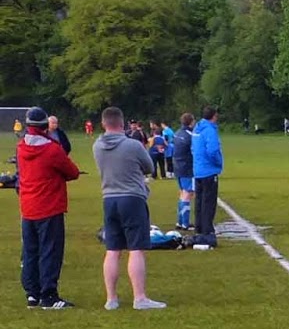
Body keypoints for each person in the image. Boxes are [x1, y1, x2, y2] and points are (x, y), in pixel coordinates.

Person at [93, 107, 165, 310]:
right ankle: (139, 297)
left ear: (103, 124)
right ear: (122, 123)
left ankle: (111, 298)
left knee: (113, 249)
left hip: (109, 198)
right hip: (132, 198)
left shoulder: (97, 146)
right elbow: (150, 167)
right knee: (136, 249)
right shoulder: (132, 145)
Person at [17, 107, 81, 309]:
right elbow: (72, 172)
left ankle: (32, 294)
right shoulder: (52, 149)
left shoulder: (20, 147)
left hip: (28, 207)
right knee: (50, 252)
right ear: (45, 126)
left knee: (30, 251)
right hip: (49, 206)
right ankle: (49, 295)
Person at [191, 106, 224, 247]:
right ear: (213, 116)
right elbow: (213, 150)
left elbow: (193, 148)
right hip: (209, 170)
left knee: (199, 200)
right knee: (208, 202)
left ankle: (199, 228)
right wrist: (218, 163)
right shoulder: (210, 130)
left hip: (198, 170)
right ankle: (207, 230)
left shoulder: (197, 129)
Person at [171, 113, 195, 229]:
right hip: (187, 168)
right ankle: (185, 223)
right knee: (187, 194)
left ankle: (179, 221)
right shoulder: (190, 136)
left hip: (177, 166)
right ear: (191, 122)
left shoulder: (177, 133)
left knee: (182, 193)